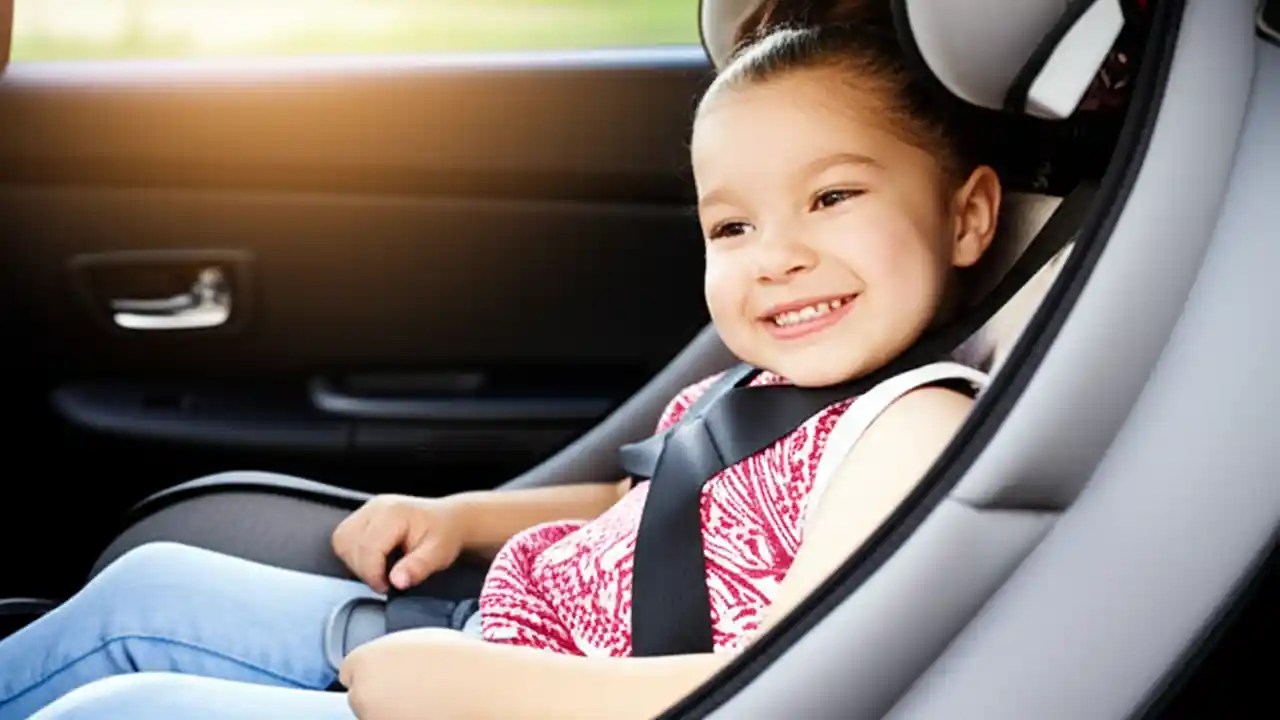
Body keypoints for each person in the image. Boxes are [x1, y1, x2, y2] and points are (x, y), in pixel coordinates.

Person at [0, 1, 1006, 717]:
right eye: (731, 226)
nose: (777, 255)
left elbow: (796, 676)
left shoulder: (910, 425)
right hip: (496, 635)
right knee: (157, 586)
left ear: (966, 217)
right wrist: (463, 517)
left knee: (130, 707)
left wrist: (478, 694)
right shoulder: (761, 387)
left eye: (831, 198)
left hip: (537, 696)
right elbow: (636, 513)